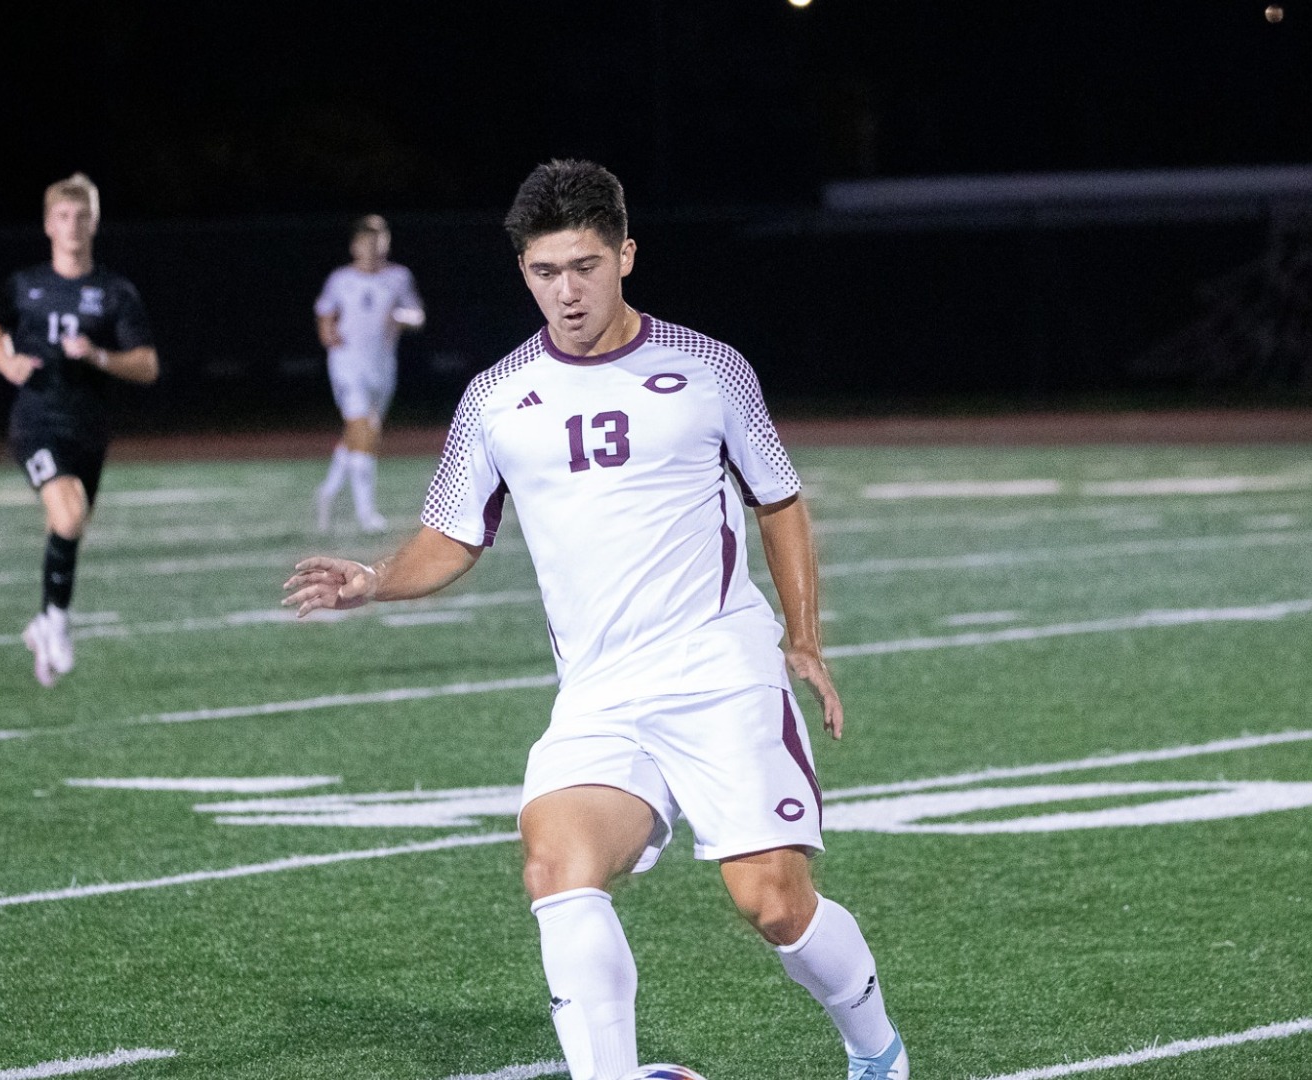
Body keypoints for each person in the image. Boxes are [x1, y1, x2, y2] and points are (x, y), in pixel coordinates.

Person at [282, 160, 907, 1080]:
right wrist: (374, 580)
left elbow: (779, 499)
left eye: (583, 266)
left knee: (772, 902)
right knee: (556, 871)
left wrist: (803, 637)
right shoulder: (495, 398)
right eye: (544, 272)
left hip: (718, 672)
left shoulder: (708, 368)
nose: (565, 293)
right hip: (600, 698)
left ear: (626, 254)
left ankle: (877, 1052)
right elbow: (452, 535)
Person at [0, 172, 159, 687]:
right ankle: (56, 622)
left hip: (89, 427)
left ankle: (43, 625)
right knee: (69, 513)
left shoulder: (114, 292)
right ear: (47, 224)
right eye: (63, 216)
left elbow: (147, 365)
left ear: (95, 222)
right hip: (35, 421)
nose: (72, 225)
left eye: (82, 216)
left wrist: (99, 355)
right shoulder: (26, 285)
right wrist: (6, 364)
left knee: (66, 527)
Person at [312, 213, 426, 533]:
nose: (373, 245)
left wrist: (402, 316)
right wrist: (328, 334)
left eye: (378, 238)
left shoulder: (398, 277)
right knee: (364, 430)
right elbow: (324, 314)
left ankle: (329, 491)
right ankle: (366, 514)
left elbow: (417, 315)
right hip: (348, 365)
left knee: (362, 433)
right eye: (366, 240)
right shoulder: (341, 279)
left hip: (383, 365)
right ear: (354, 246)